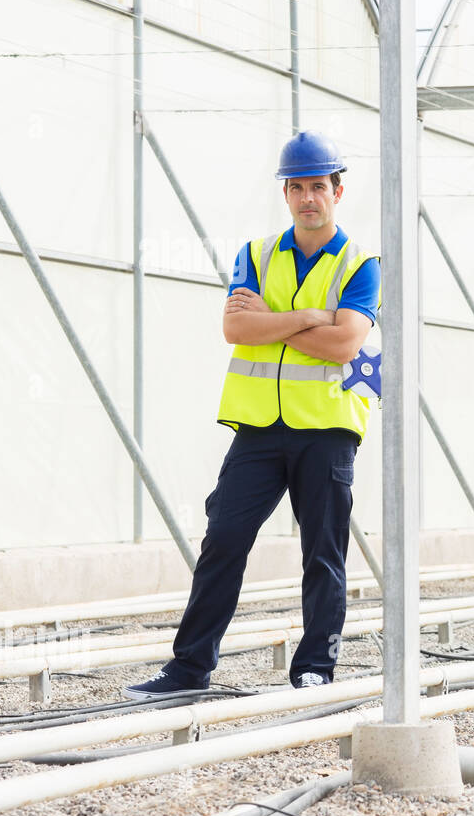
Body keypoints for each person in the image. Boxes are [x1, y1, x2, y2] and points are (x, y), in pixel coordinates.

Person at [124, 131, 381, 699]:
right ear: (285, 194)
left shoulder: (362, 263)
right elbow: (236, 329)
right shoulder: (256, 254)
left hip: (328, 430)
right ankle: (189, 668)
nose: (308, 197)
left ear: (338, 191)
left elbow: (345, 346)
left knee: (324, 551)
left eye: (319, 186)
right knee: (225, 538)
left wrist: (279, 317)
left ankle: (315, 667)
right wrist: (313, 315)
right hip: (259, 429)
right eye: (297, 188)